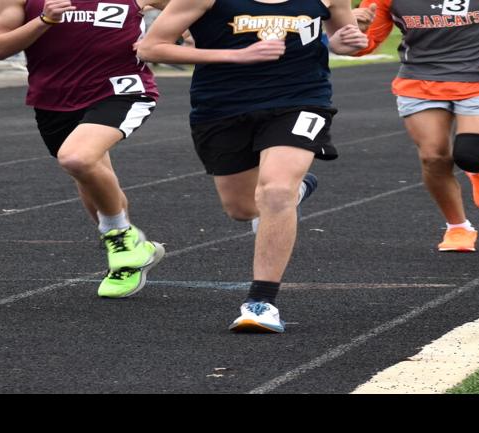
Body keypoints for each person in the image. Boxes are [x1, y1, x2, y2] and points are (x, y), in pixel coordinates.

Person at [138, 0, 367, 333]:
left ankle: (262, 303)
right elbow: (150, 47)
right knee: (243, 209)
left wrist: (345, 45)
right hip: (222, 108)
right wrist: (236, 55)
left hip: (301, 100)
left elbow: (343, 39)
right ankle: (296, 191)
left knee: (275, 191)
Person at [0, 0, 166, 299]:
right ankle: (133, 253)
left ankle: (120, 237)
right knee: (88, 173)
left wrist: (165, 39)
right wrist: (44, 20)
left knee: (77, 158)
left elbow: (195, 13)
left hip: (120, 89)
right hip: (54, 98)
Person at [349, 0, 479, 253]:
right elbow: (363, 48)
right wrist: (356, 29)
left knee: (470, 156)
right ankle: (458, 227)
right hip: (420, 82)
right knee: (433, 157)